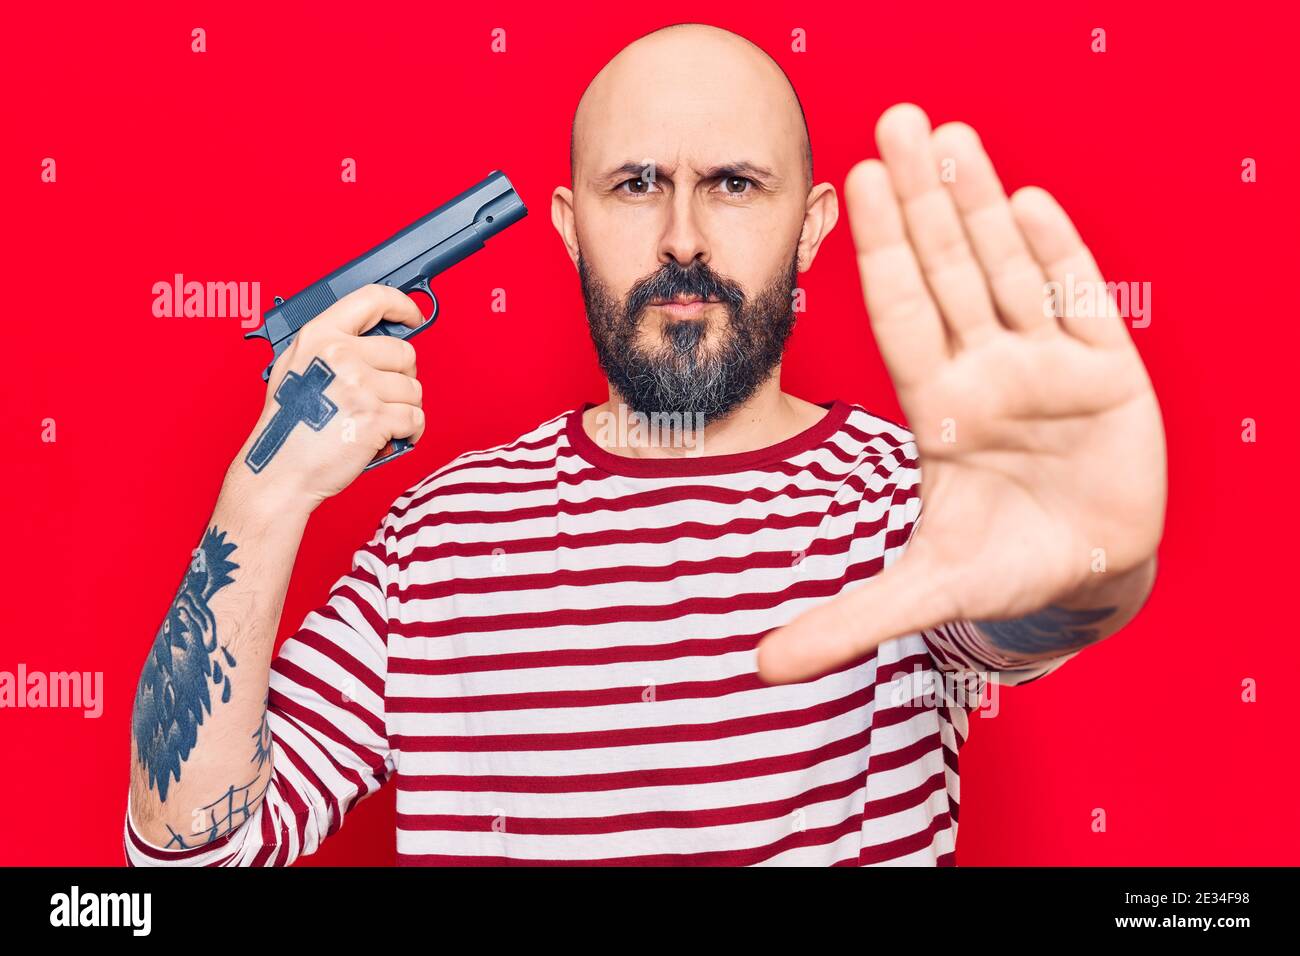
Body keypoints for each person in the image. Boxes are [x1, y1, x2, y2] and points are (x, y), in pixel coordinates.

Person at [125, 22, 1165, 866]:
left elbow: (1024, 608)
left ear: (809, 228)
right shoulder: (437, 537)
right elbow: (190, 852)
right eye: (635, 185)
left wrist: (1087, 559)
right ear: (572, 227)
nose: (680, 237)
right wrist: (261, 494)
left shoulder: (905, 505)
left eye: (732, 184)